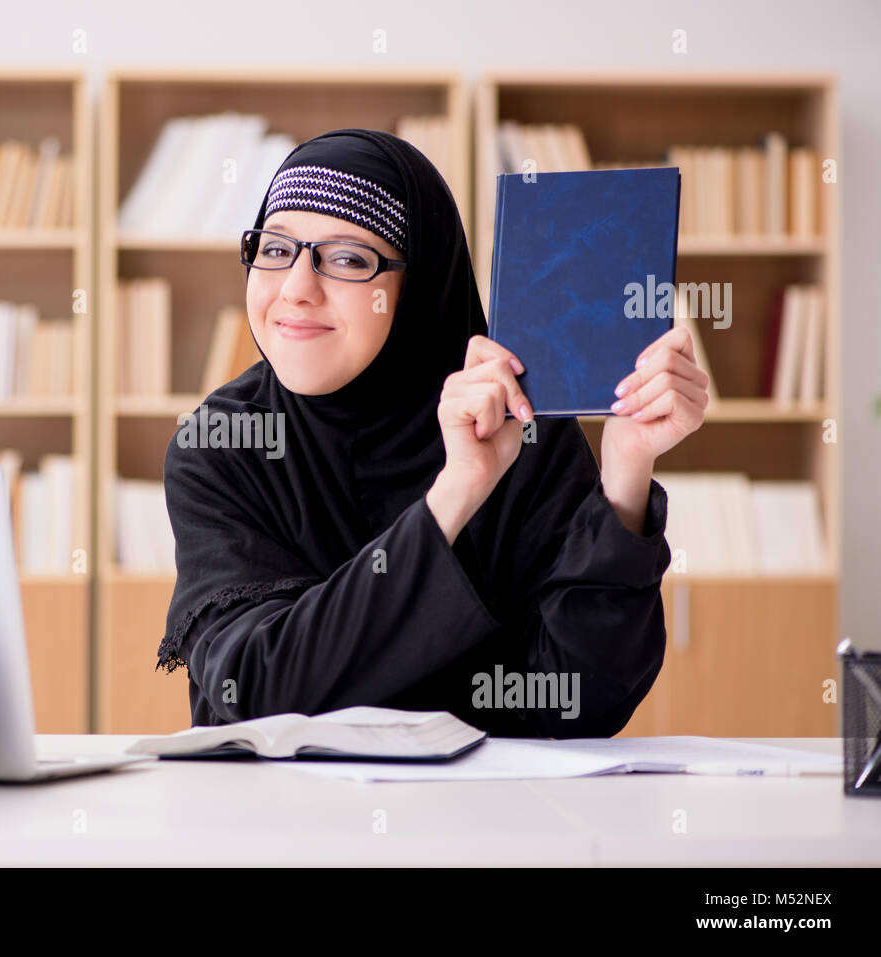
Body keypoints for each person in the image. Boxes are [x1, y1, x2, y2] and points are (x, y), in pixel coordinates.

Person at [155, 128, 708, 737]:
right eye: (276, 249)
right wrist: (454, 494)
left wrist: (624, 476)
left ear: (418, 289)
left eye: (346, 259)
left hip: (480, 821)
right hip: (275, 819)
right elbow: (259, 690)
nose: (295, 289)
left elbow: (580, 702)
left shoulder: (521, 429)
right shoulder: (224, 445)